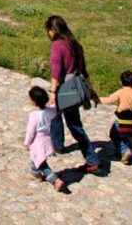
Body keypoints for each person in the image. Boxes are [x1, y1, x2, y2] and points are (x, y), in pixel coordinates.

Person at [45, 15, 100, 172]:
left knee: (69, 123)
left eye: (49, 30)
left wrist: (53, 92)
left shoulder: (57, 45)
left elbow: (56, 71)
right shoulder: (75, 45)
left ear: (54, 30)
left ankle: (91, 158)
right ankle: (58, 145)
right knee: (67, 119)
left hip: (64, 89)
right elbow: (84, 70)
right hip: (75, 88)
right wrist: (92, 91)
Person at [25, 86, 67, 192]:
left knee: (41, 163)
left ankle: (55, 180)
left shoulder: (34, 115)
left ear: (34, 102)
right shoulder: (49, 111)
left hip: (37, 142)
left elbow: (31, 131)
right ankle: (37, 175)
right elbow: (54, 108)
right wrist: (53, 101)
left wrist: (27, 142)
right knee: (36, 160)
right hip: (47, 139)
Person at [100, 70, 132, 164]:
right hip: (131, 122)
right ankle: (122, 154)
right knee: (125, 137)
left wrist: (97, 99)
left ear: (120, 82)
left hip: (121, 121)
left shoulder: (121, 92)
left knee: (114, 135)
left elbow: (110, 100)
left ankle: (125, 150)